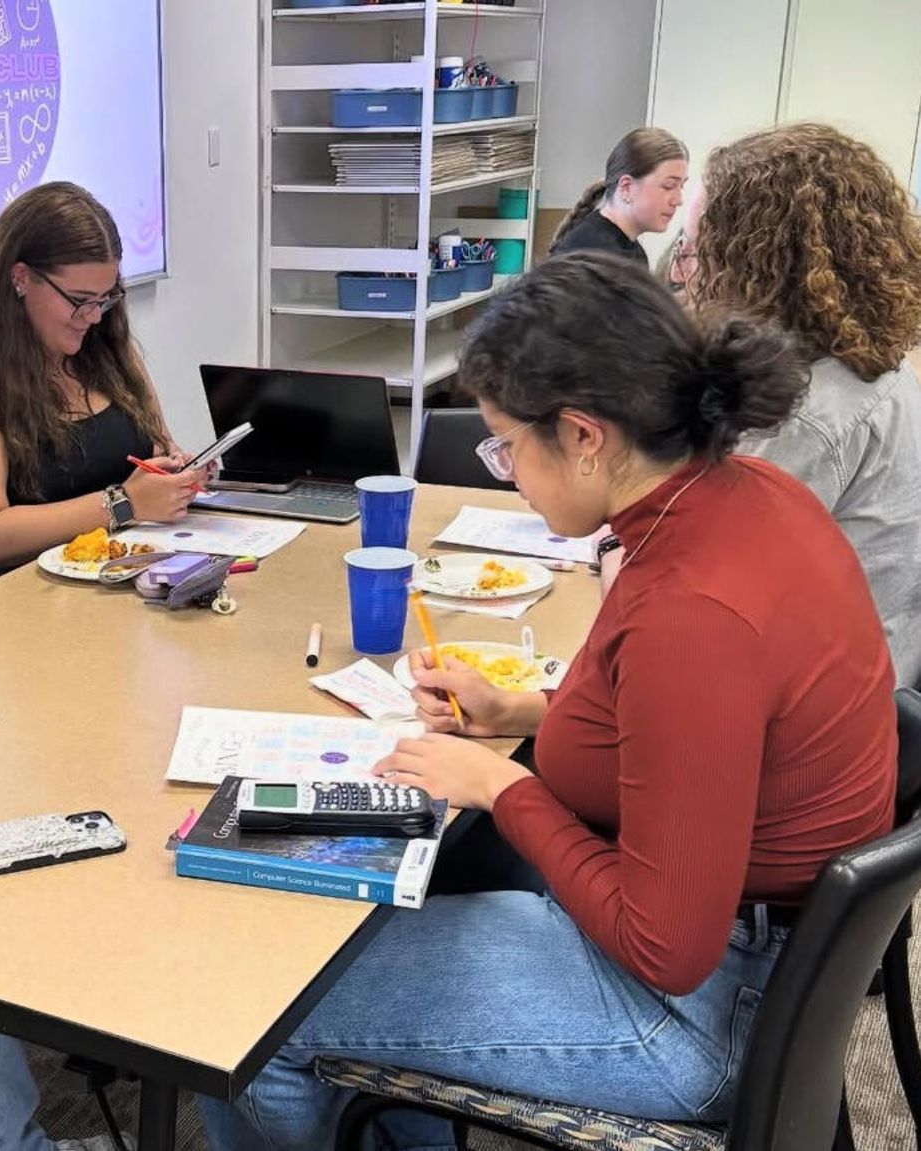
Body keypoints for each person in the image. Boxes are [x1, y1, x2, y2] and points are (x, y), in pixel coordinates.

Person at [199, 252, 897, 1151]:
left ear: (583, 434)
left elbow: (665, 947)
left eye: (506, 445)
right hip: (750, 943)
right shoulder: (746, 496)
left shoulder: (694, 616)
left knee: (255, 1005)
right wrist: (520, 714)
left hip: (700, 1005)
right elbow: (683, 724)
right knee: (407, 894)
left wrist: (502, 785)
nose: (505, 472)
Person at [682, 121, 921, 688]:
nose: (688, 279)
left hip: (821, 707)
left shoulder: (811, 414)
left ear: (750, 264)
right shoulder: (870, 362)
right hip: (867, 673)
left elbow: (699, 591)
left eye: (696, 255)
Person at [0, 181, 201, 598]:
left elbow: (157, 451)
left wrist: (177, 475)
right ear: (21, 278)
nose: (93, 317)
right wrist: (124, 504)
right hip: (7, 603)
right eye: (79, 300)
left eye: (105, 298)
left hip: (118, 583)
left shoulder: (101, 345)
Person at [548, 127, 688, 264]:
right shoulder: (593, 257)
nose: (679, 200)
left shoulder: (632, 253)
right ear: (626, 187)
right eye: (668, 186)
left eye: (681, 186)